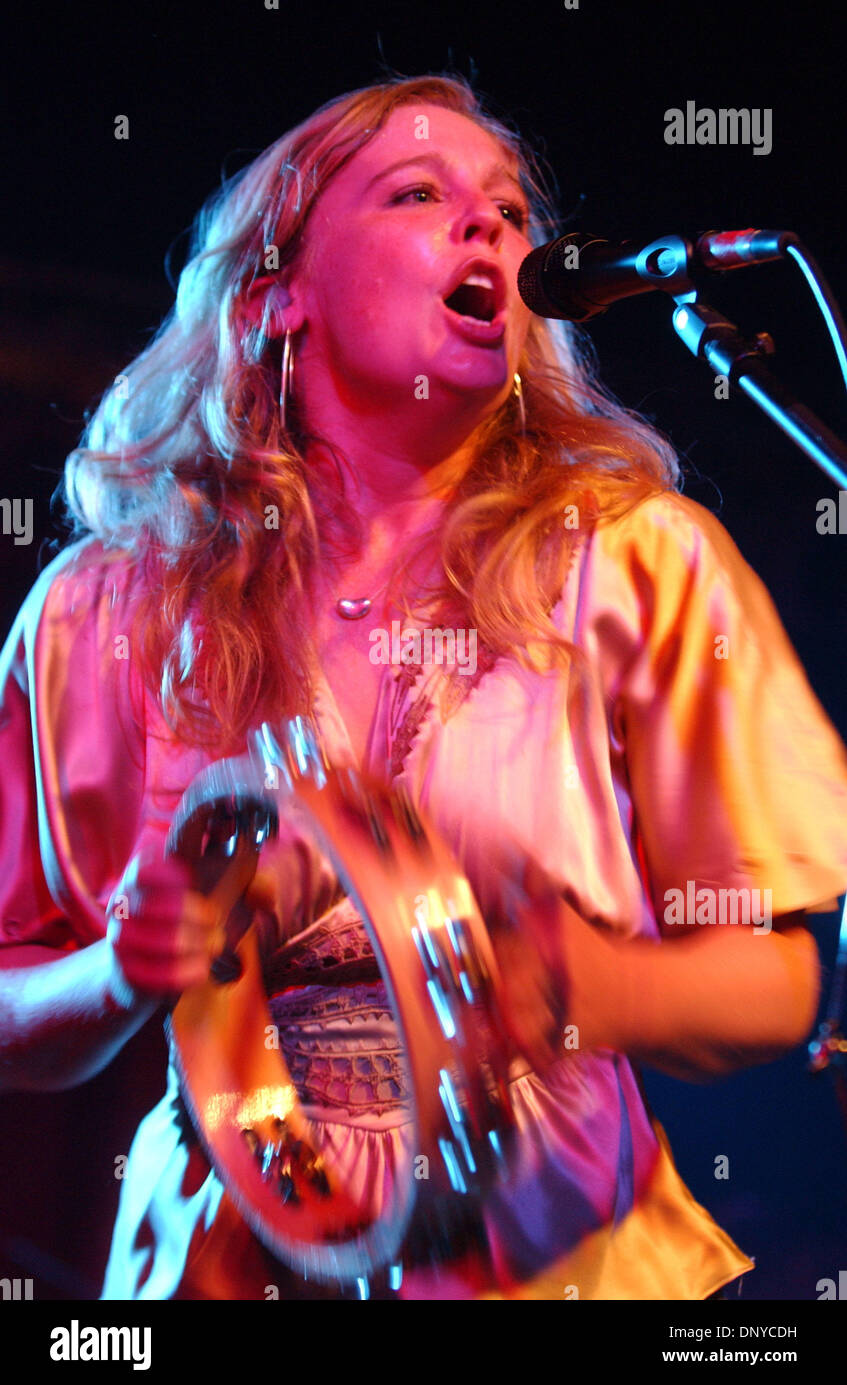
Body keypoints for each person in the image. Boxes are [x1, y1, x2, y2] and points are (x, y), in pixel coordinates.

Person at [1, 72, 845, 1302]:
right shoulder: (108, 609)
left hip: (582, 1274)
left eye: (509, 212)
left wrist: (587, 982)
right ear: (274, 294)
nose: (491, 230)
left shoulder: (639, 562)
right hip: (211, 1274)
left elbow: (783, 977)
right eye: (418, 193)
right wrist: (117, 973)